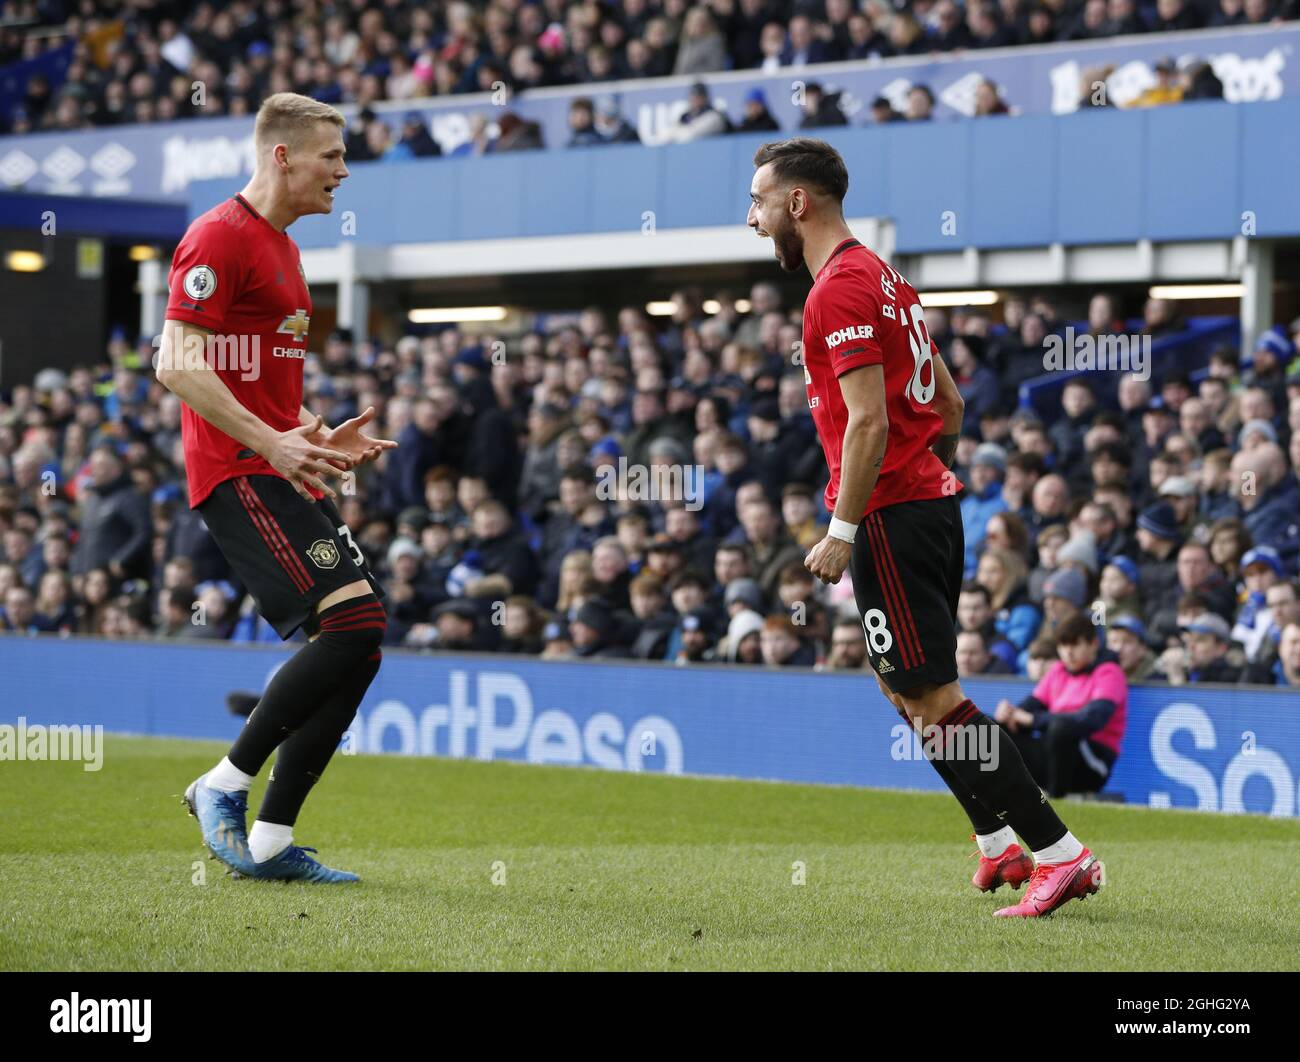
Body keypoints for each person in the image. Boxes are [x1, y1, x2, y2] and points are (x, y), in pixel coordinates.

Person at [747, 137, 1103, 918]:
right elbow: (947, 405)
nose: (753, 218)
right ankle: (996, 840)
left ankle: (1059, 853)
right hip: (922, 505)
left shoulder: (836, 290)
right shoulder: (884, 278)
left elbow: (871, 420)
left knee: (934, 699)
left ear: (797, 203)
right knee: (901, 687)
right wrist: (918, 476)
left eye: (759, 200)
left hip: (888, 514)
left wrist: (845, 525)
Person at [157, 93, 399, 884]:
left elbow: (259, 379)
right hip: (239, 471)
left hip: (280, 462)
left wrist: (315, 434)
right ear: (282, 155)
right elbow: (175, 362)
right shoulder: (217, 238)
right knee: (355, 620)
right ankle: (221, 784)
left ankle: (268, 840)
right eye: (331, 155)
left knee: (361, 642)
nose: (344, 170)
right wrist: (267, 440)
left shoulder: (285, 249)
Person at [994, 614, 1127, 797]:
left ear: (1094, 644)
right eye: (1063, 645)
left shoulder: (1109, 673)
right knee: (992, 729)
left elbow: (1091, 720)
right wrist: (1009, 713)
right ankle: (991, 795)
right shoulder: (1058, 671)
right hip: (1053, 752)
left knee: (1062, 728)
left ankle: (1056, 802)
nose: (1068, 652)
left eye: (1075, 644)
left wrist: (1033, 720)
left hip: (1092, 762)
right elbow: (1030, 706)